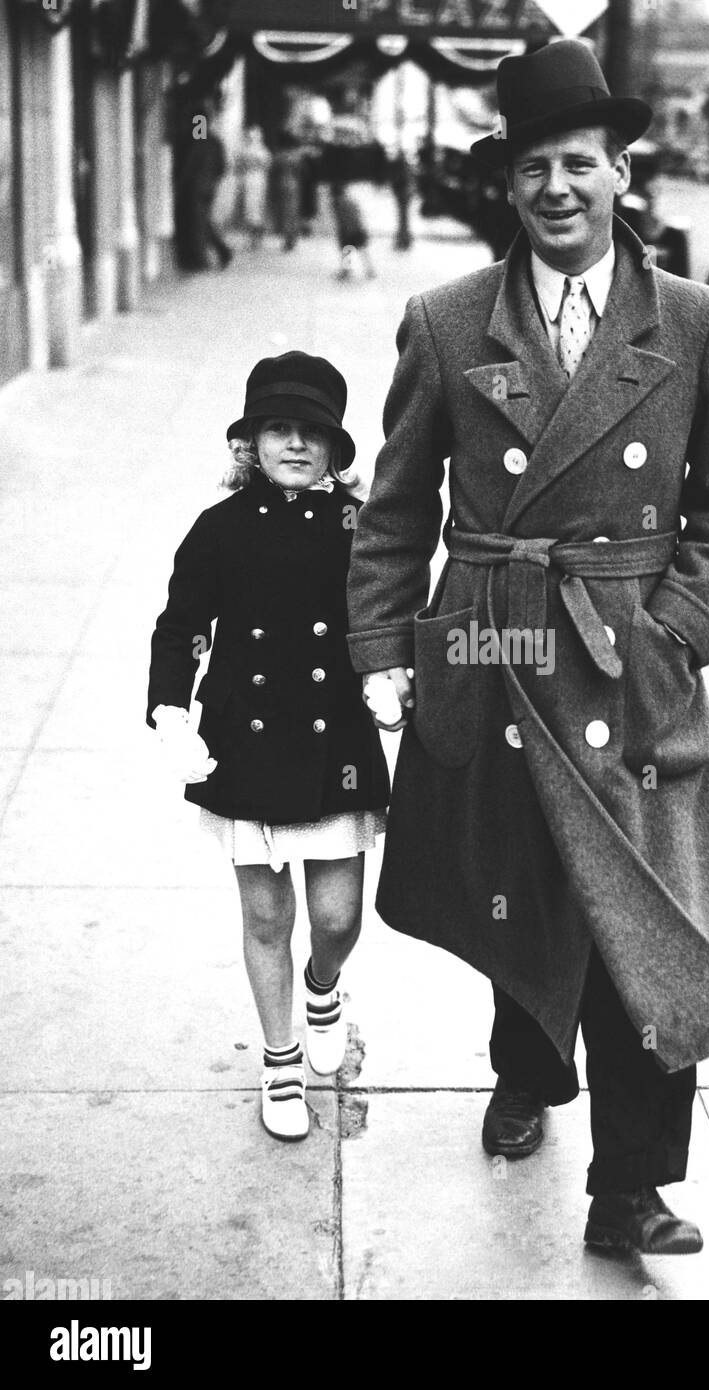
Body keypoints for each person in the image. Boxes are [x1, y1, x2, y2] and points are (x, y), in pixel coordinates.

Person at [347, 39, 709, 1254]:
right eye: (534, 167)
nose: (558, 189)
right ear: (508, 181)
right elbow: (396, 505)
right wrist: (387, 645)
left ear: (620, 171)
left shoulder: (699, 321)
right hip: (496, 641)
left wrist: (679, 630)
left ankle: (631, 1187)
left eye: (580, 163)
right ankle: (527, 1065)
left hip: (631, 655)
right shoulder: (445, 320)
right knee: (523, 887)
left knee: (648, 923)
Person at [147, 352, 390, 1141]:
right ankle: (279, 1062)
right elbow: (182, 627)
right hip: (245, 746)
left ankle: (325, 985)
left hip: (336, 742)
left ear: (334, 448)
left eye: (311, 432)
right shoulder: (217, 530)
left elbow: (384, 612)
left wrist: (389, 676)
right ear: (250, 443)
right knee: (262, 914)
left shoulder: (361, 528)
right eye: (277, 429)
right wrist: (171, 713)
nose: (294, 444)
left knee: (338, 914)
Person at [176, 109, 232, 271]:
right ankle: (221, 251)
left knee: (197, 223)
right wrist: (212, 181)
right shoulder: (214, 141)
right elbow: (222, 167)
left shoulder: (197, 140)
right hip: (209, 187)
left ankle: (201, 259)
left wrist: (182, 184)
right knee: (202, 221)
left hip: (194, 187)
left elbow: (189, 166)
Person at [236, 126, 272, 249]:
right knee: (248, 210)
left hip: (258, 181)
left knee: (256, 210)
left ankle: (256, 238)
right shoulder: (245, 150)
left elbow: (267, 165)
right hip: (248, 181)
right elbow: (238, 165)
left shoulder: (262, 151)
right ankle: (252, 238)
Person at [331, 183, 376, 280]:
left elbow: (343, 219)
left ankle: (346, 271)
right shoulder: (350, 200)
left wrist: (345, 232)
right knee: (362, 250)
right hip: (358, 228)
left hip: (349, 230)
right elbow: (358, 213)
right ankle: (370, 270)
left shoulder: (339, 203)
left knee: (347, 251)